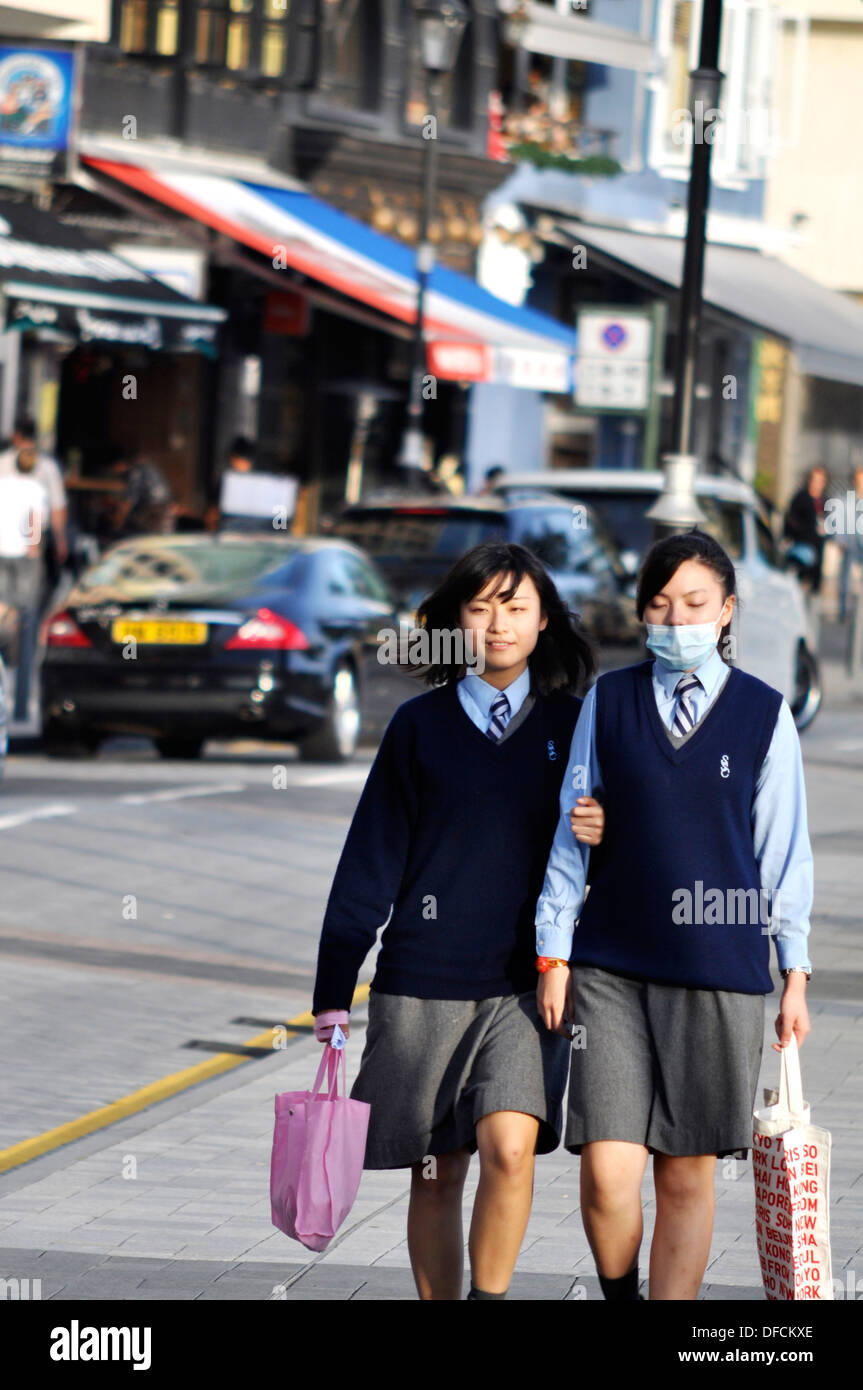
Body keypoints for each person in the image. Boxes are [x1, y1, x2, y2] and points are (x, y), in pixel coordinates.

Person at [311, 542, 604, 1300]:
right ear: (453, 622)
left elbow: (611, 859)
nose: (498, 623)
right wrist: (333, 989)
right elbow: (369, 861)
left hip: (524, 985)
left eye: (516, 607)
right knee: (436, 1174)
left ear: (544, 621)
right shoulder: (417, 727)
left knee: (509, 1150)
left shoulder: (578, 727)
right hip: (421, 983)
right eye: (480, 607)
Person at [535, 528, 813, 1302]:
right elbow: (573, 825)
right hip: (611, 967)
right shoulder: (609, 700)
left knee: (687, 1177)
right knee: (606, 1173)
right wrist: (552, 952)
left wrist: (793, 973)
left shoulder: (763, 714)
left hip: (717, 974)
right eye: (658, 604)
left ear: (726, 610)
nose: (676, 618)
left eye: (693, 603)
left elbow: (784, 853)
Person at [0, 443, 48, 721]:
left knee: (4, 606)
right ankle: (20, 706)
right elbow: (34, 520)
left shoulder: (4, 484)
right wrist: (34, 545)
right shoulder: (35, 489)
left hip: (2, 550)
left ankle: (5, 647)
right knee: (27, 617)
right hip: (23, 554)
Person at [0, 416, 68, 598]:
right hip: (31, 541)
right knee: (28, 596)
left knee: (4, 594)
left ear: (16, 436)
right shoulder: (47, 468)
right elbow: (54, 507)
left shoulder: (3, 463)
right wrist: (59, 538)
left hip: (4, 536)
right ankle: (23, 624)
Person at [783, 465, 827, 592]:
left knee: (814, 585)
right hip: (801, 544)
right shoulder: (801, 498)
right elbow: (791, 519)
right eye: (814, 480)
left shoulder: (825, 501)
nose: (817, 484)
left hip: (818, 547)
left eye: (820, 481)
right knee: (800, 580)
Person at [837, 466, 863, 622]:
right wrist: (841, 540)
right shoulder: (846, 500)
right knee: (845, 578)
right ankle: (843, 611)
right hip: (850, 542)